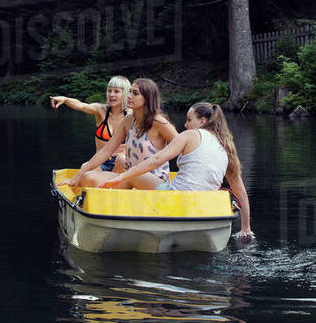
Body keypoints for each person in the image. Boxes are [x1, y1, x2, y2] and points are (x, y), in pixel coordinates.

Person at [102, 101, 253, 241]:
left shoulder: (190, 135)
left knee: (134, 176)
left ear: (202, 121)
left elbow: (156, 160)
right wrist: (246, 228)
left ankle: (111, 213)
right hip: (205, 209)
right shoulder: (226, 146)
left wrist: (121, 176)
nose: (186, 125)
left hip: (176, 200)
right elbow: (242, 194)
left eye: (189, 119)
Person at [66, 78, 178, 190]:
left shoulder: (159, 122)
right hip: (130, 177)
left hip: (153, 181)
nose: (129, 96)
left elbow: (184, 147)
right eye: (129, 91)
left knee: (125, 167)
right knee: (87, 177)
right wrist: (78, 175)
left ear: (148, 98)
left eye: (135, 93)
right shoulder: (127, 121)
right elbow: (106, 150)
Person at [50, 76, 131, 172]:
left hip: (122, 163)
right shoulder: (100, 110)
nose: (111, 94)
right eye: (109, 91)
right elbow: (81, 105)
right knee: (85, 167)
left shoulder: (132, 116)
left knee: (122, 160)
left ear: (125, 93)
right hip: (101, 162)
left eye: (116, 91)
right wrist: (65, 99)